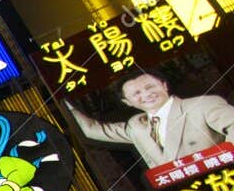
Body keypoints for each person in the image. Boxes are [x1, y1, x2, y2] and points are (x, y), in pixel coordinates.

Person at [67, 69, 234, 168]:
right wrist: (62, 103)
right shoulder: (136, 127)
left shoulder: (201, 105)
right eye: (136, 93)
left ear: (164, 85)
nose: (146, 94)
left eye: (150, 87)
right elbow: (91, 130)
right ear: (128, 102)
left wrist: (220, 160)